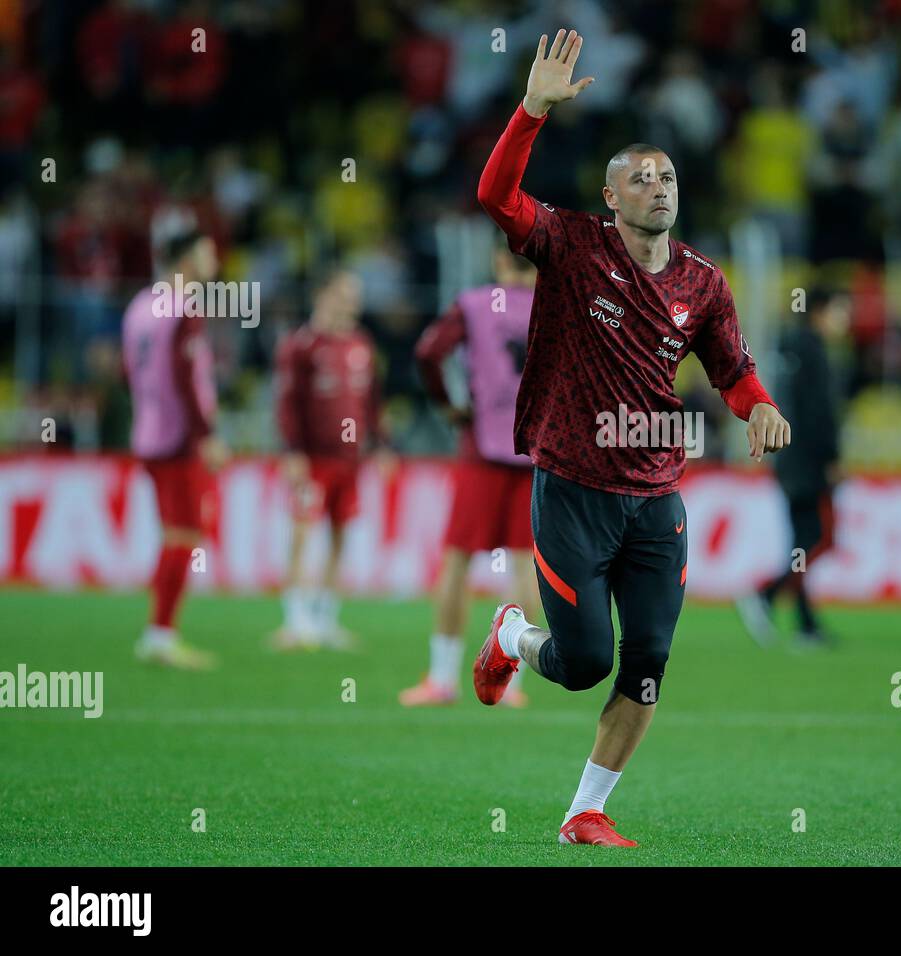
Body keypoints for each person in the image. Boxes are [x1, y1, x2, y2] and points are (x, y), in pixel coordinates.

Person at [471, 29, 790, 847]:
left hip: (656, 497)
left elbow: (732, 369)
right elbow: (497, 198)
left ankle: (585, 811)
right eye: (639, 178)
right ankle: (511, 634)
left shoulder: (703, 282)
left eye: (667, 176)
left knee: (647, 662)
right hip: (573, 487)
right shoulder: (573, 246)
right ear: (612, 197)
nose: (657, 186)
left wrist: (757, 405)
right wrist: (532, 112)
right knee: (583, 665)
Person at [399, 245, 539, 707]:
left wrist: (450, 405)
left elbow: (428, 352)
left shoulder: (476, 304)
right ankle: (511, 685)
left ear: (499, 261)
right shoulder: (557, 305)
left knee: (458, 560)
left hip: (483, 443)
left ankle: (442, 678)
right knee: (526, 566)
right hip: (538, 450)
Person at [122, 228, 227, 668]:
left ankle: (158, 629)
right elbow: (186, 380)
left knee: (174, 535)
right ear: (187, 260)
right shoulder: (183, 310)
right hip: (178, 438)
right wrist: (205, 436)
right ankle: (161, 634)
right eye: (207, 253)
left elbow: (129, 372)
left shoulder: (140, 306)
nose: (214, 262)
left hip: (147, 431)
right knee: (183, 535)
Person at [273, 269, 391, 649]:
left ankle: (324, 618)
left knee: (340, 536)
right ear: (323, 294)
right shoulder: (302, 345)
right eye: (344, 293)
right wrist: (293, 452)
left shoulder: (361, 343)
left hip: (350, 459)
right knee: (303, 532)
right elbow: (288, 403)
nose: (352, 302)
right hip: (314, 458)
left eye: (354, 295)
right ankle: (294, 618)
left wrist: (383, 444)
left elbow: (371, 402)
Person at [735, 286, 848, 647]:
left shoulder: (790, 348)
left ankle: (806, 624)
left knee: (802, 539)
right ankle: (767, 594)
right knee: (816, 537)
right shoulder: (813, 349)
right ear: (820, 310)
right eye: (840, 310)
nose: (844, 320)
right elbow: (819, 412)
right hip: (809, 462)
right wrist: (831, 457)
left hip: (788, 458)